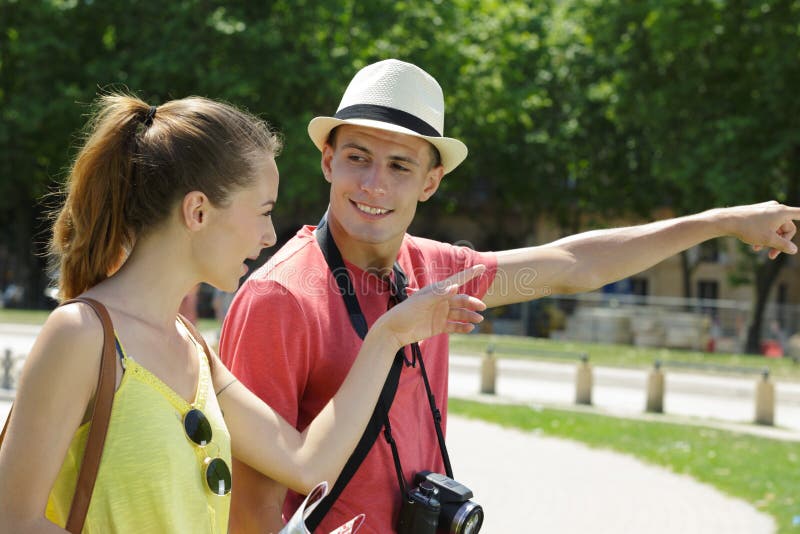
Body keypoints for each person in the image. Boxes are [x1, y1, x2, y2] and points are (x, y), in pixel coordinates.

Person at [220, 58, 800, 533]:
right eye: (357, 158)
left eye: (400, 166)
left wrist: (722, 221)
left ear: (430, 181)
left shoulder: (435, 271)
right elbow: (250, 508)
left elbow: (573, 264)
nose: (374, 185)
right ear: (327, 160)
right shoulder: (280, 297)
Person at [0, 92, 487, 533]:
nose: (270, 235)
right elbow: (12, 519)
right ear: (198, 212)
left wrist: (387, 335)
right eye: (262, 210)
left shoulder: (191, 347)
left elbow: (304, 463)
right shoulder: (81, 334)